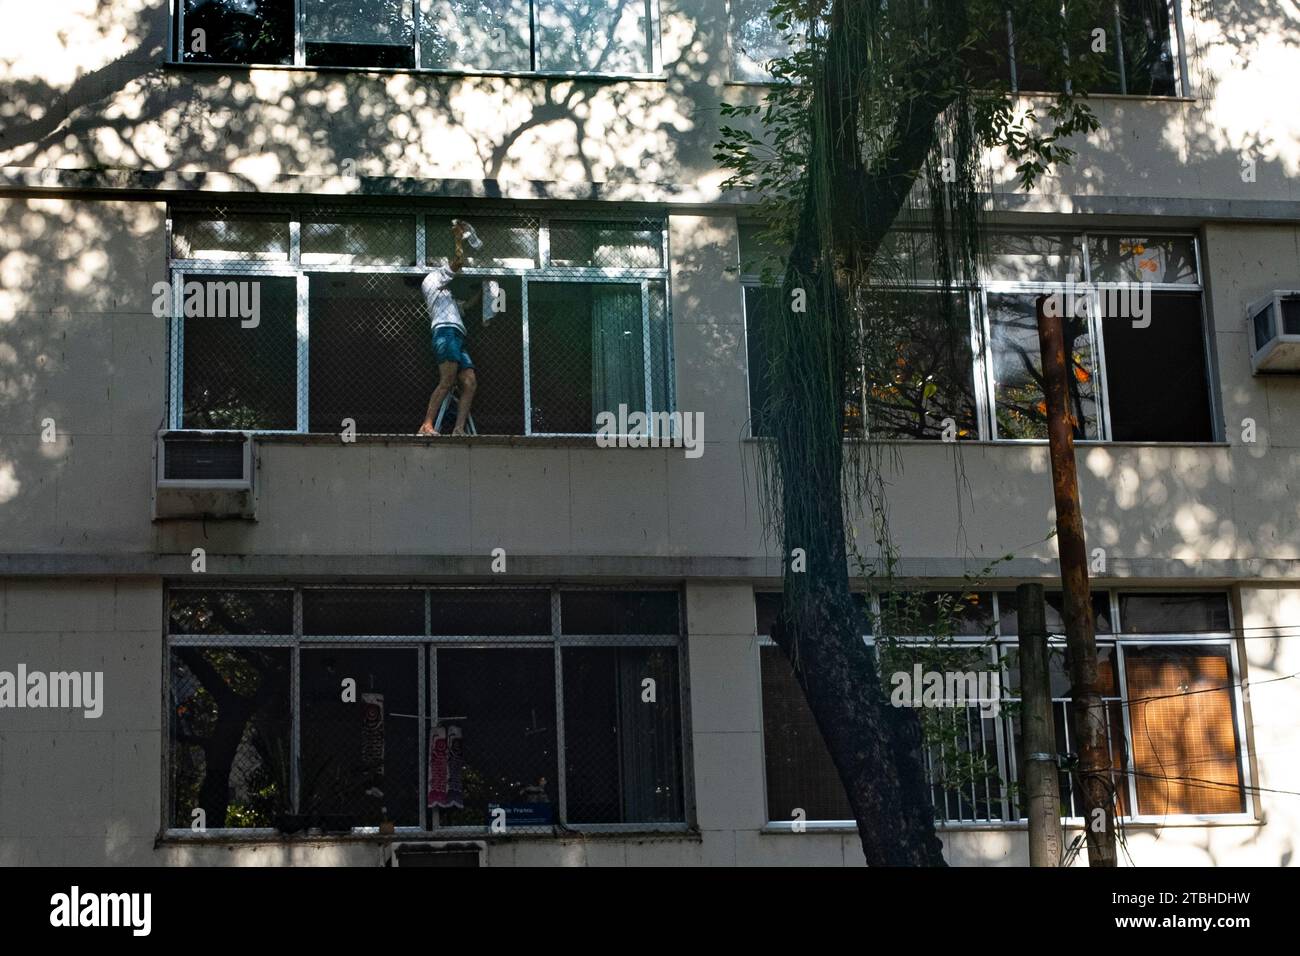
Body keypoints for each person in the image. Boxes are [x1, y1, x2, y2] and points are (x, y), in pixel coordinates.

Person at [418, 222, 481, 436]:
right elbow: (458, 262)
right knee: (447, 381)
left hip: (457, 334)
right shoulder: (431, 280)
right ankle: (426, 425)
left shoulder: (447, 296)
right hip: (445, 333)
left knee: (469, 382)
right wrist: (458, 238)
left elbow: (467, 306)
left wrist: (485, 288)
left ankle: (459, 429)